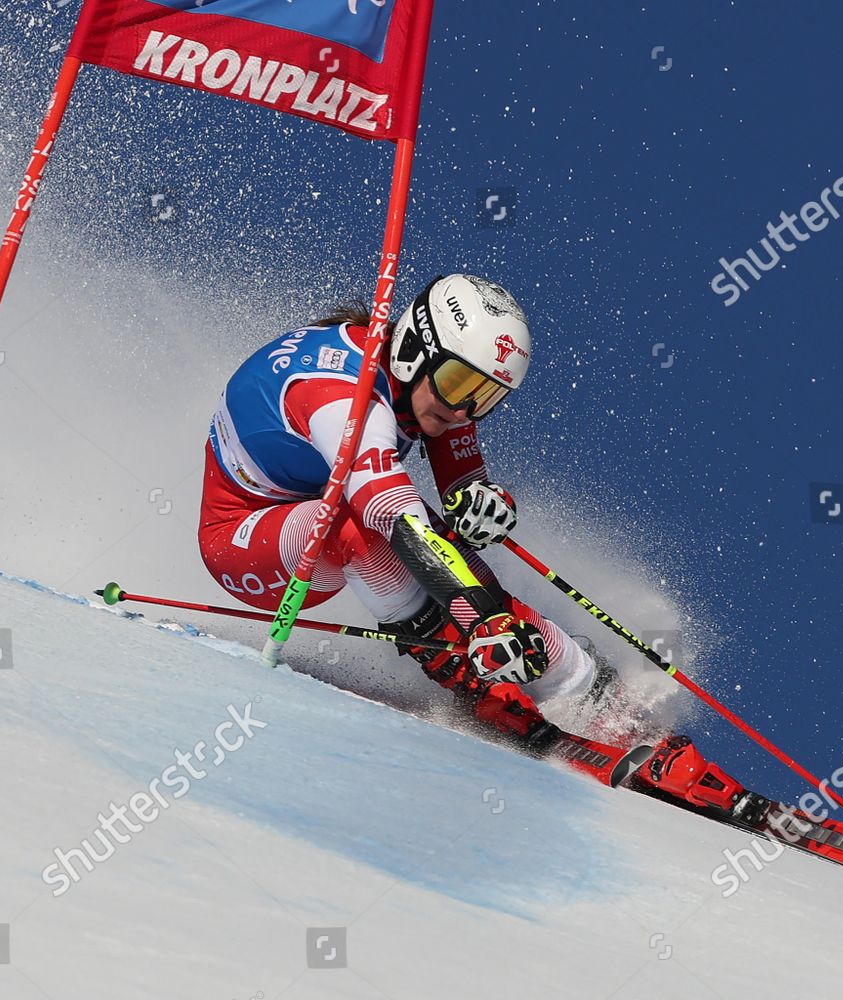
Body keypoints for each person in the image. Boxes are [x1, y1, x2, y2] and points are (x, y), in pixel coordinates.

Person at [196, 274, 750, 815]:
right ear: (416, 347)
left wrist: (481, 505)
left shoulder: (432, 389)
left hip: (328, 508)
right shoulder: (345, 399)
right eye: (463, 386)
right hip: (247, 542)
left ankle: (601, 700)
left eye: (486, 398)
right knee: (363, 520)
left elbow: (459, 493)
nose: (465, 412)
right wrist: (478, 620)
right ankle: (472, 677)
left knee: (451, 557)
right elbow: (389, 511)